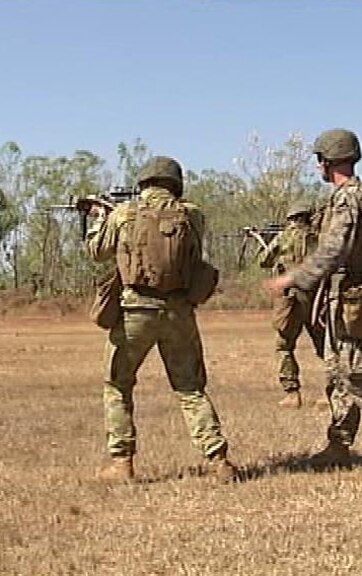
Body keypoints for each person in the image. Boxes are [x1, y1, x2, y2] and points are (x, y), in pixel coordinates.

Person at [263, 128, 362, 474]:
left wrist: (295, 277)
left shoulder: (349, 198)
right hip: (345, 295)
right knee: (338, 371)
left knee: (357, 369)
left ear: (328, 160)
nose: (318, 166)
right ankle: (339, 443)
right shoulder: (354, 196)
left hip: (352, 295)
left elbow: (334, 250)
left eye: (319, 159)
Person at [85, 155, 237, 483]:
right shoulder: (193, 215)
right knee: (190, 388)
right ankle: (218, 459)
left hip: (136, 310)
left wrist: (100, 218)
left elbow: (97, 251)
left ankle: (122, 462)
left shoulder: (124, 213)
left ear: (143, 183)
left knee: (117, 384)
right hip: (179, 311)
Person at [258, 201, 325, 408]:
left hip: (290, 299)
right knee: (325, 346)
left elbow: (263, 260)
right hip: (315, 298)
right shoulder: (318, 237)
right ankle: (331, 393)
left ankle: (292, 392)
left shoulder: (284, 236)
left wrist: (267, 244)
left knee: (284, 345)